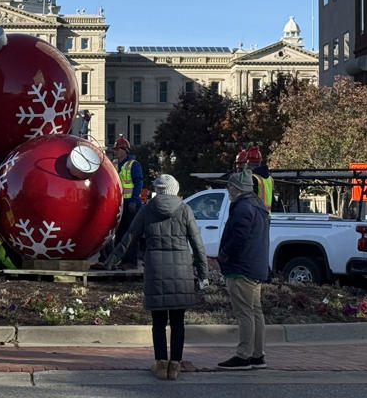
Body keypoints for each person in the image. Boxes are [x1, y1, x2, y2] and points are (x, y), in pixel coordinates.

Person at [105, 174, 208, 381]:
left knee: (158, 321)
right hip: (181, 271)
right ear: (175, 190)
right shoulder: (185, 209)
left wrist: (110, 261)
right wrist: (203, 273)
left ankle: (161, 364)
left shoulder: (147, 209)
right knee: (178, 322)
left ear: (158, 190)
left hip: (156, 270)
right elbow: (197, 243)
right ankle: (175, 365)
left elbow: (129, 237)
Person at [217, 169, 270, 370]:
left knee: (245, 313)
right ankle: (258, 354)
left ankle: (244, 355)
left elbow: (239, 236)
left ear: (236, 188)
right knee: (256, 312)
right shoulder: (258, 207)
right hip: (255, 267)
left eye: (229, 186)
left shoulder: (242, 208)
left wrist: (225, 254)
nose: (228, 189)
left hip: (241, 268)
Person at [112, 134, 144, 268]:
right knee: (120, 233)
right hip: (121, 204)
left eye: (117, 149)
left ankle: (131, 262)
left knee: (130, 234)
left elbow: (138, 183)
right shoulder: (117, 165)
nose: (115, 151)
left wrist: (134, 200)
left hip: (131, 204)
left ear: (125, 150)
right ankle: (121, 260)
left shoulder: (133, 165)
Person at [244, 144, 274, 212]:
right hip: (267, 215)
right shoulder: (270, 179)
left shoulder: (253, 178)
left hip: (256, 215)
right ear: (260, 161)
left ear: (248, 163)